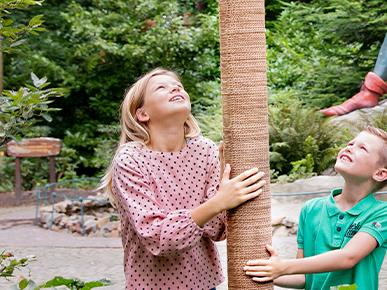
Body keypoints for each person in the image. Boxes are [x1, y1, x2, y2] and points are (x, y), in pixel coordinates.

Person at [99, 68, 266, 290]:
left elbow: (217, 230)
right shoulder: (130, 160)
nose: (175, 88)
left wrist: (225, 182)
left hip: (206, 284)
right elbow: (156, 237)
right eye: (161, 87)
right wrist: (219, 201)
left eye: (178, 86)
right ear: (142, 114)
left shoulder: (205, 150)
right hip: (152, 285)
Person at [243, 126, 387, 290]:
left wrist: (283, 266)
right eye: (350, 143)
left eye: (362, 148)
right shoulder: (311, 209)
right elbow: (303, 277)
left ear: (380, 174)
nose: (349, 148)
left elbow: (348, 257)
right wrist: (270, 271)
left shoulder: (382, 212)